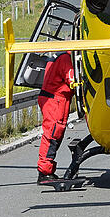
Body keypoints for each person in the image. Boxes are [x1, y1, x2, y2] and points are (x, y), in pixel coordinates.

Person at [37, 52, 75, 182]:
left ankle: (46, 169)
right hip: (55, 100)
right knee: (52, 134)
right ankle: (44, 171)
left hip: (54, 98)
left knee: (55, 133)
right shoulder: (66, 58)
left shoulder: (58, 55)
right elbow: (72, 80)